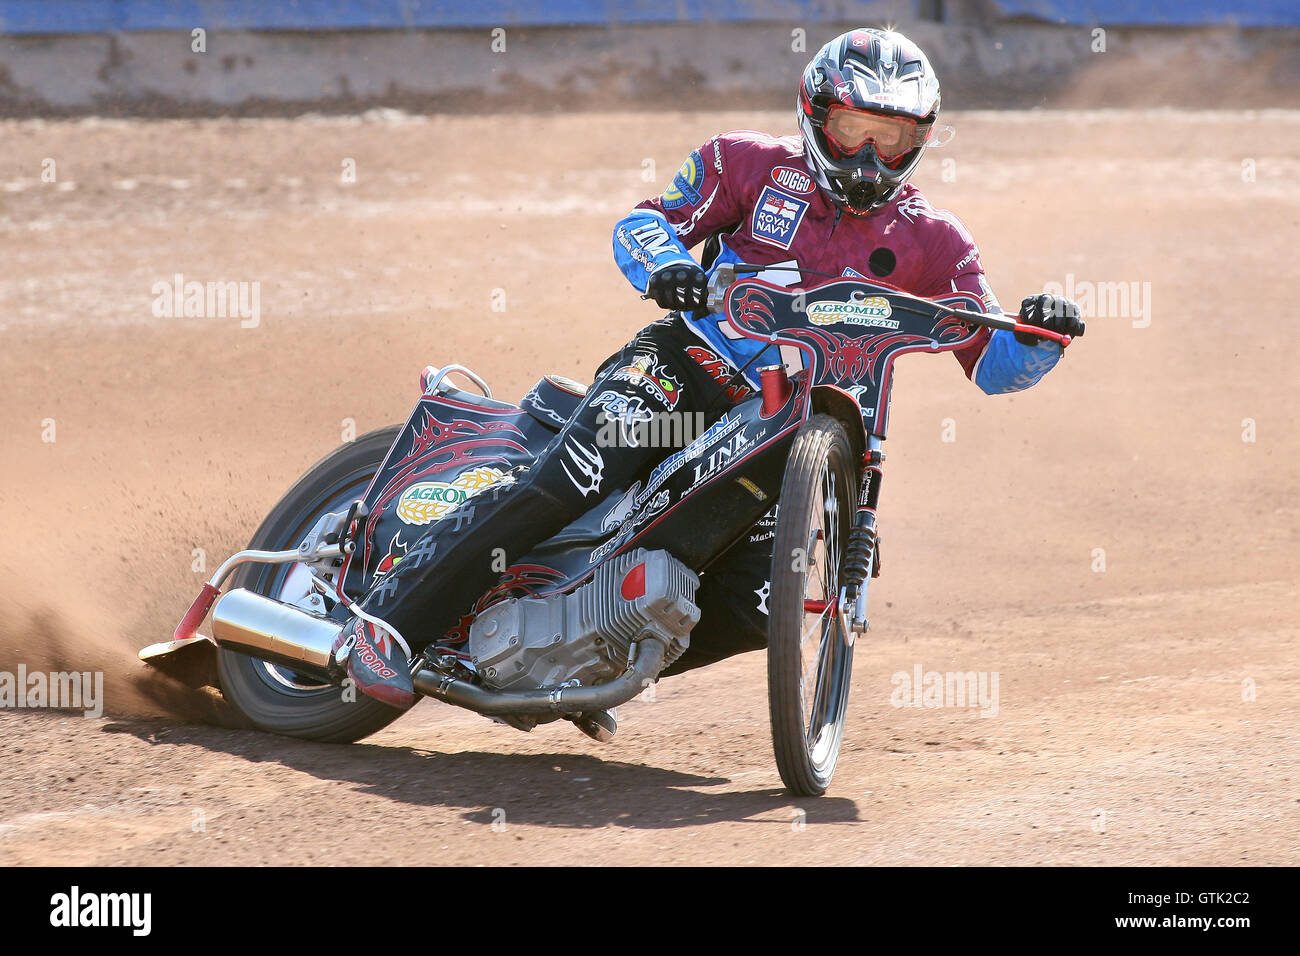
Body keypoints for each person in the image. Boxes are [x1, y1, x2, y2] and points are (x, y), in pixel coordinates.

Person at [335, 27, 1085, 708]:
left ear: (918, 140)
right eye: (853, 130)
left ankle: (584, 669)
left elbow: (993, 364)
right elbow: (645, 222)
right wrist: (665, 268)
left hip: (798, 434)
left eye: (889, 139)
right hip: (689, 366)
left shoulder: (937, 242)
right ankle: (388, 626)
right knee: (578, 475)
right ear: (816, 117)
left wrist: (1041, 336)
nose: (866, 157)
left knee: (765, 603)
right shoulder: (745, 163)